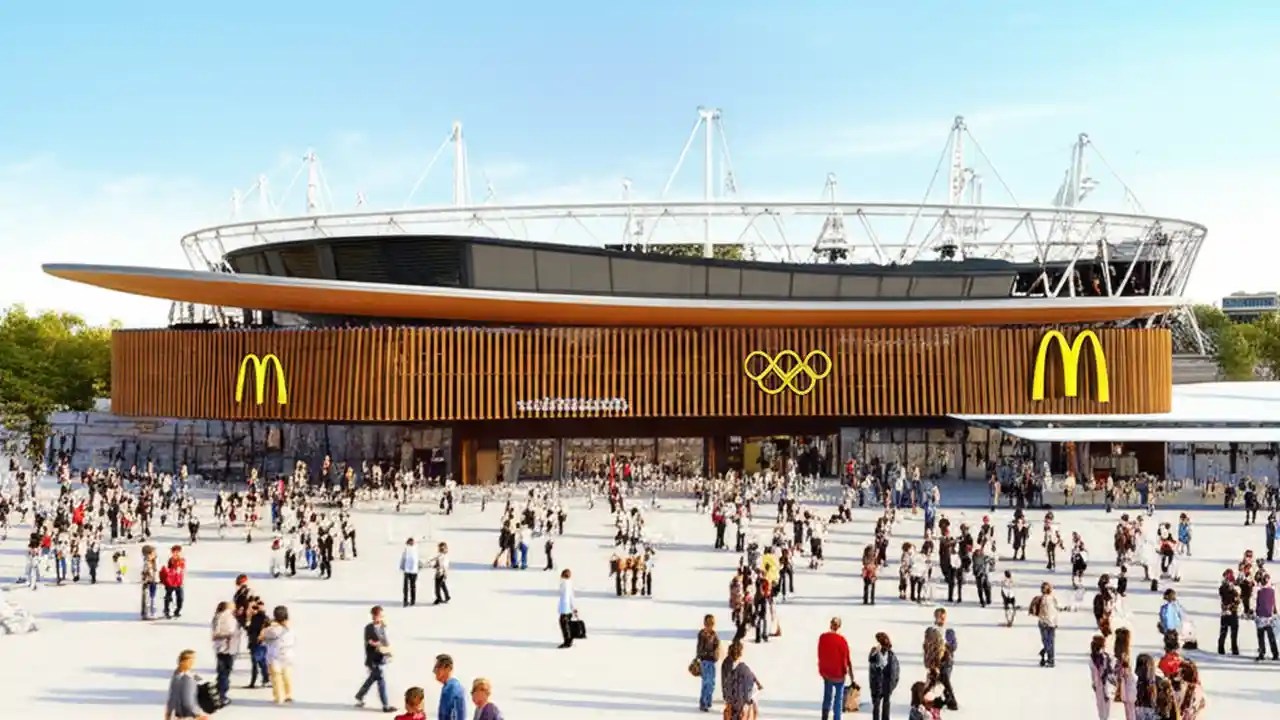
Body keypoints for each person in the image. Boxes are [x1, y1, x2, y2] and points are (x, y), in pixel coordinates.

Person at [355, 605, 395, 713]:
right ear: (373, 616)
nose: (380, 617)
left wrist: (388, 652)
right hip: (373, 659)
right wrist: (378, 644)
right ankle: (385, 705)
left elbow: (386, 642)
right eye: (378, 615)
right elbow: (369, 642)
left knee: (372, 679)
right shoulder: (369, 628)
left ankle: (359, 696)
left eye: (381, 615)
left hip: (381, 657)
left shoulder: (382, 627)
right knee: (381, 681)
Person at [818, 616, 853, 720]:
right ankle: (837, 718)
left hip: (827, 673)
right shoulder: (842, 641)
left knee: (827, 696)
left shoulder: (823, 638)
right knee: (838, 698)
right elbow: (847, 659)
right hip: (839, 674)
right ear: (839, 627)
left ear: (830, 625)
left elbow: (820, 654)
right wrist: (851, 675)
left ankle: (824, 716)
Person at [262, 605, 295, 704]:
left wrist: (267, 626)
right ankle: (288, 694)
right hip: (288, 654)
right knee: (287, 675)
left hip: (275, 655)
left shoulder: (272, 629)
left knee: (276, 676)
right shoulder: (290, 627)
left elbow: (262, 637)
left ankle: (279, 697)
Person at [164, 649, 209, 720]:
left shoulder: (176, 676)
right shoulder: (188, 679)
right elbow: (188, 701)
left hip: (179, 715)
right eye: (191, 660)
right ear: (184, 662)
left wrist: (168, 713)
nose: (193, 662)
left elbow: (172, 698)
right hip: (190, 715)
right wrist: (198, 715)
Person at [210, 601, 239, 707]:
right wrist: (230, 635)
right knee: (224, 672)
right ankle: (222, 695)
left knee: (223, 672)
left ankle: (219, 693)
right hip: (226, 648)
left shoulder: (222, 616)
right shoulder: (224, 617)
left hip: (224, 647)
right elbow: (216, 634)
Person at [867, 632, 900, 720]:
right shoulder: (875, 652)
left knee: (884, 704)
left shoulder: (891, 655)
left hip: (885, 683)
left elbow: (895, 671)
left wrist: (893, 684)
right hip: (878, 683)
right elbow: (871, 660)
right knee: (878, 704)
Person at [696, 613, 723, 711]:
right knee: (706, 682)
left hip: (712, 661)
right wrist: (706, 653)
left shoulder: (714, 634)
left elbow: (717, 646)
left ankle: (708, 700)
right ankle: (704, 702)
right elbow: (700, 649)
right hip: (705, 661)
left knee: (711, 683)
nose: (709, 626)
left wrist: (715, 654)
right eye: (708, 624)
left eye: (711, 624)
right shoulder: (702, 634)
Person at [1089, 634, 1116, 720]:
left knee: (1100, 705)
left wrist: (1093, 682)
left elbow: (1093, 672)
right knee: (1106, 704)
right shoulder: (1106, 657)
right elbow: (1111, 669)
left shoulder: (1093, 658)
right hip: (1106, 683)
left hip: (1099, 684)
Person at [434, 654, 467, 720]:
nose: (434, 671)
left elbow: (454, 715)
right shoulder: (450, 686)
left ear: (448, 668)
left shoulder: (451, 688)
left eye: (437, 667)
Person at [557, 568, 577, 648]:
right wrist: (573, 607)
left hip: (565, 608)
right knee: (568, 625)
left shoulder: (564, 584)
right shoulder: (569, 583)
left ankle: (567, 641)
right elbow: (571, 596)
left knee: (564, 625)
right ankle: (569, 640)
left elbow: (565, 597)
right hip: (569, 608)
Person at [400, 538, 420, 608]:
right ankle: (410, 600)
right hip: (411, 570)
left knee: (409, 586)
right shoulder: (410, 549)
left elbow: (403, 558)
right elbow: (404, 558)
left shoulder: (412, 549)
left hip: (411, 570)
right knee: (411, 586)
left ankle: (410, 600)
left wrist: (402, 566)